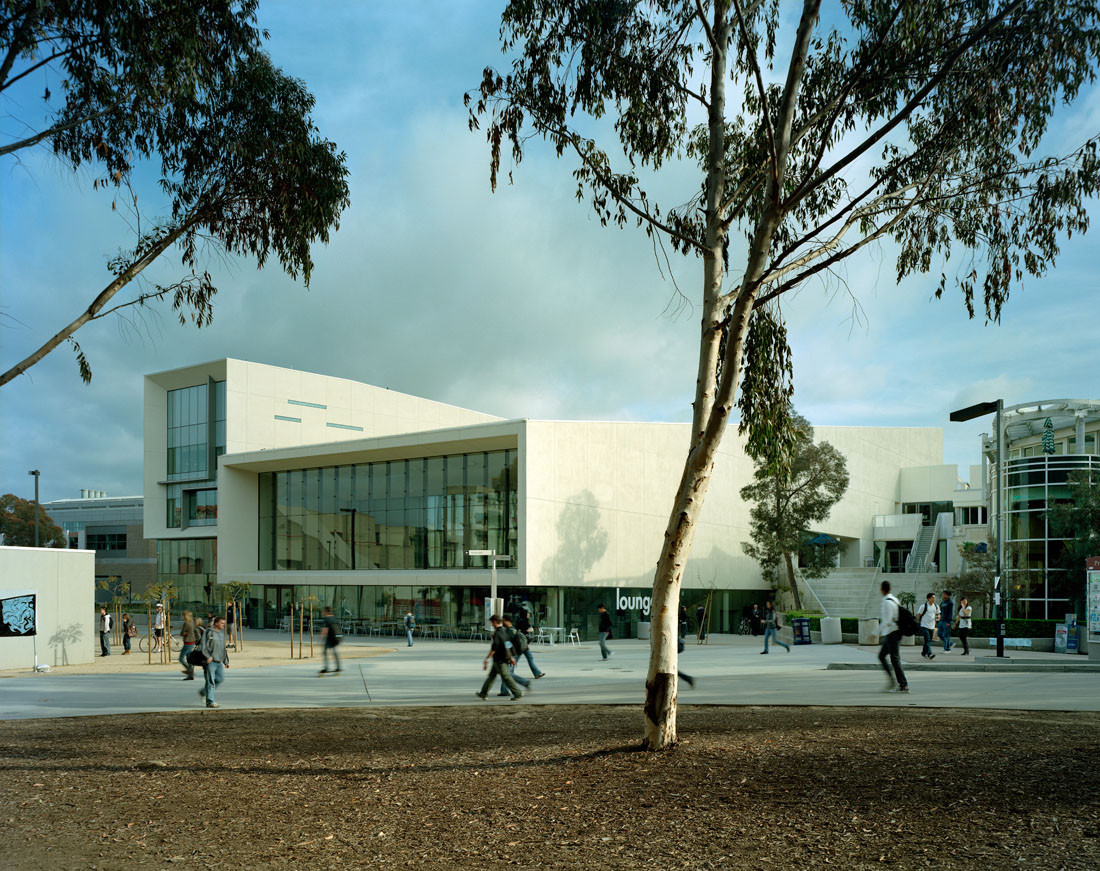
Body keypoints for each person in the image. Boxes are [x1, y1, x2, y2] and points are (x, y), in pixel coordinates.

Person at [476, 615, 524, 700]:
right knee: (491, 677)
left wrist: (487, 659)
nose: (491, 625)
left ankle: (517, 693)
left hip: (500, 660)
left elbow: (494, 648)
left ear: (495, 622)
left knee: (506, 677)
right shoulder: (505, 631)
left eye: (491, 623)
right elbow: (509, 645)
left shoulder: (497, 633)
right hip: (500, 659)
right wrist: (512, 657)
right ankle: (483, 693)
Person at [877, 580, 909, 693]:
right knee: (882, 656)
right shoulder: (895, 599)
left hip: (892, 633)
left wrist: (875, 632)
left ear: (882, 589)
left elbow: (887, 620)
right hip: (893, 632)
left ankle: (903, 684)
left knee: (895, 659)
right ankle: (893, 681)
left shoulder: (887, 602)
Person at [495, 615, 534, 696]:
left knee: (507, 673)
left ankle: (524, 682)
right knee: (507, 673)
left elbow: (508, 645)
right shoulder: (513, 630)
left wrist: (510, 656)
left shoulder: (509, 631)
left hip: (511, 655)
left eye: (503, 620)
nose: (502, 622)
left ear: (507, 621)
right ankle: (504, 690)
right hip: (513, 654)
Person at [198, 616, 228, 709]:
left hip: (219, 661)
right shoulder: (209, 632)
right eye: (222, 623)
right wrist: (208, 656)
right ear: (216, 623)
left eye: (224, 623)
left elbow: (223, 648)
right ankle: (210, 701)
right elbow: (204, 645)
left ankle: (204, 692)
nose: (224, 625)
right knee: (210, 681)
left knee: (220, 679)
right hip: (210, 661)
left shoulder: (221, 634)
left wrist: (226, 660)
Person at [504, 614, 544, 678]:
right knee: (515, 660)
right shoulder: (521, 621)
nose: (528, 615)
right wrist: (527, 630)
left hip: (524, 645)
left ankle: (537, 673)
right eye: (527, 613)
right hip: (520, 645)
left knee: (530, 659)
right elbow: (519, 631)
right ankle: (510, 674)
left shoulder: (524, 621)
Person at [320, 606, 343, 675]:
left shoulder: (327, 619)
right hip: (336, 638)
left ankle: (326, 667)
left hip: (330, 638)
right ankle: (338, 667)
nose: (324, 612)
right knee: (335, 652)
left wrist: (322, 637)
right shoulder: (334, 618)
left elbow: (325, 630)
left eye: (324, 611)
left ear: (327, 611)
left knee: (325, 652)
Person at [917, 592, 939, 659]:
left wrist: (938, 617)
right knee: (927, 640)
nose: (934, 599)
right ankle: (930, 654)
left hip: (932, 626)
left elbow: (938, 614)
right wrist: (918, 623)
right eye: (933, 597)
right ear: (928, 598)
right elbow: (918, 615)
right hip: (924, 625)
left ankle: (924, 653)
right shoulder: (923, 606)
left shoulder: (936, 606)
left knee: (927, 641)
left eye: (935, 597)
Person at [179, 611, 198, 679]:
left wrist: (184, 633)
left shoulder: (186, 623)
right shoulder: (192, 622)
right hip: (192, 642)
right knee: (189, 659)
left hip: (187, 642)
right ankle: (190, 675)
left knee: (181, 658)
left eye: (183, 615)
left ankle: (190, 671)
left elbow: (181, 633)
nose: (182, 617)